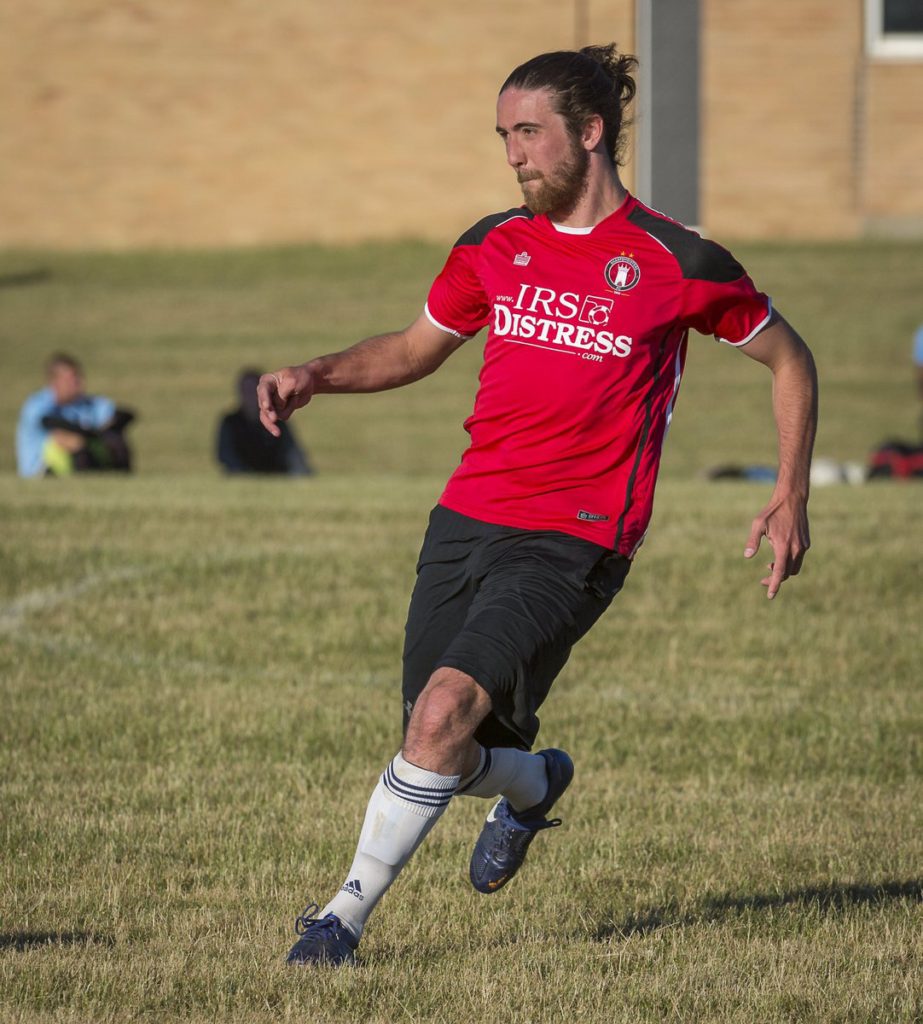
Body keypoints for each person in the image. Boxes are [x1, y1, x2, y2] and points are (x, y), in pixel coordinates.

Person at [257, 44, 818, 967]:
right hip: (466, 518)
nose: (512, 154)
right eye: (502, 136)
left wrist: (790, 492)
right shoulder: (492, 243)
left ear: (589, 134)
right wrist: (311, 375)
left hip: (577, 535)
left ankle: (337, 923)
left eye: (528, 133)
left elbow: (788, 358)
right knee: (436, 741)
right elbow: (411, 347)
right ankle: (533, 784)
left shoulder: (678, 260)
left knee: (441, 716)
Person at [16, 353, 135, 477]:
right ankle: (83, 479)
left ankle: (120, 477)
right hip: (41, 469)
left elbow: (124, 415)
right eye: (71, 379)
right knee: (67, 440)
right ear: (54, 383)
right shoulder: (38, 403)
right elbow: (48, 422)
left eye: (78, 377)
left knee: (114, 439)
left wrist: (102, 434)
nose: (78, 383)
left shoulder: (83, 404)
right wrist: (87, 433)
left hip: (78, 455)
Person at [216, 369, 312, 475]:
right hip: (242, 475)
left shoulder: (276, 420)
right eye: (246, 390)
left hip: (277, 474)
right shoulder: (231, 422)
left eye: (253, 390)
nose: (250, 395)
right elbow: (225, 454)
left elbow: (291, 451)